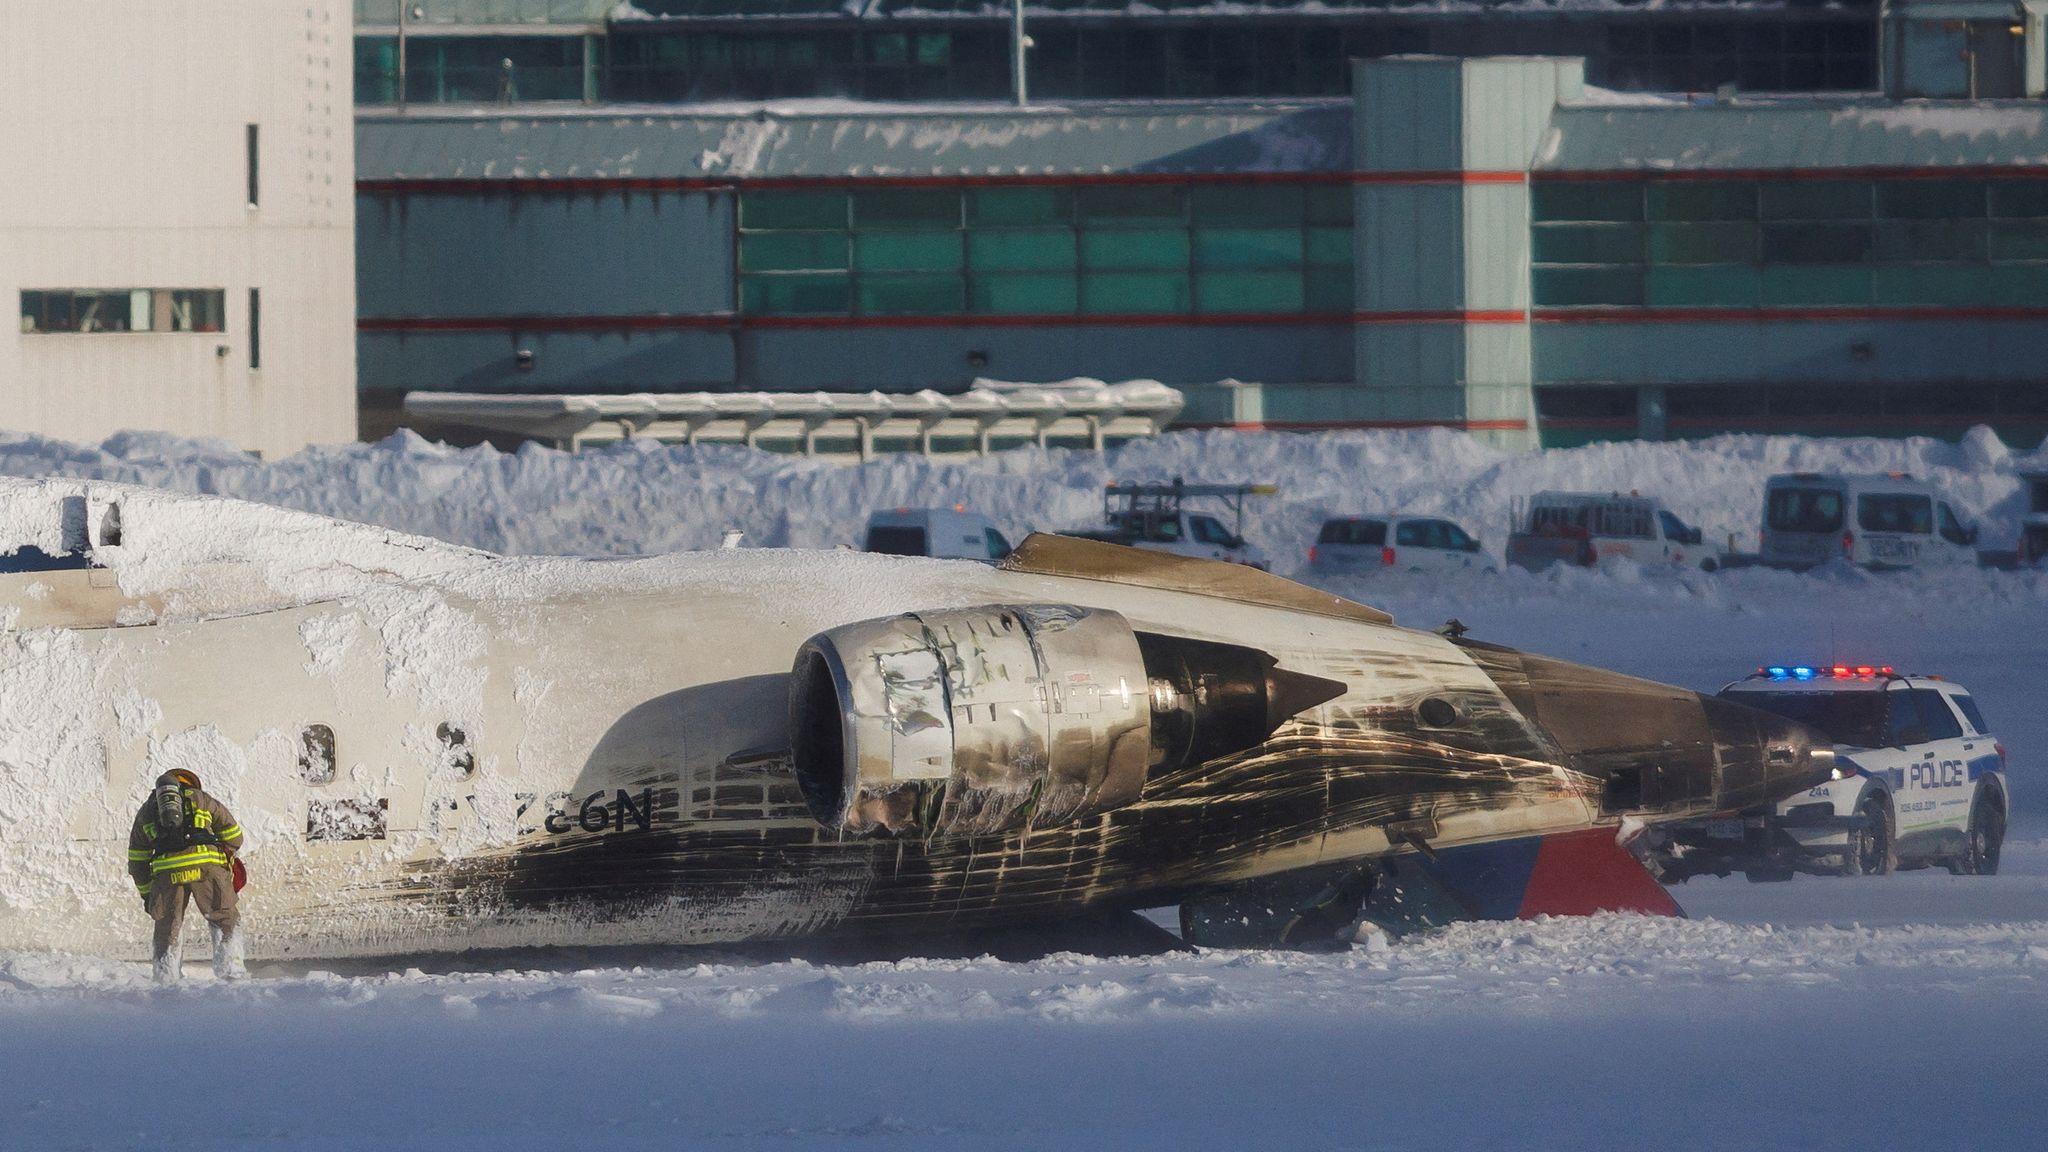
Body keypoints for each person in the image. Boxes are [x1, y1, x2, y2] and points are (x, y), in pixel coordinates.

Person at [126, 769, 246, 984]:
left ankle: (166, 977)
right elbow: (235, 835)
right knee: (224, 918)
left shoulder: (147, 811)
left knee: (167, 926)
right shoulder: (202, 799)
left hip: (167, 873)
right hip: (206, 868)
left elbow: (137, 860)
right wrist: (224, 854)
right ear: (189, 784)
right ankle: (232, 972)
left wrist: (148, 895)